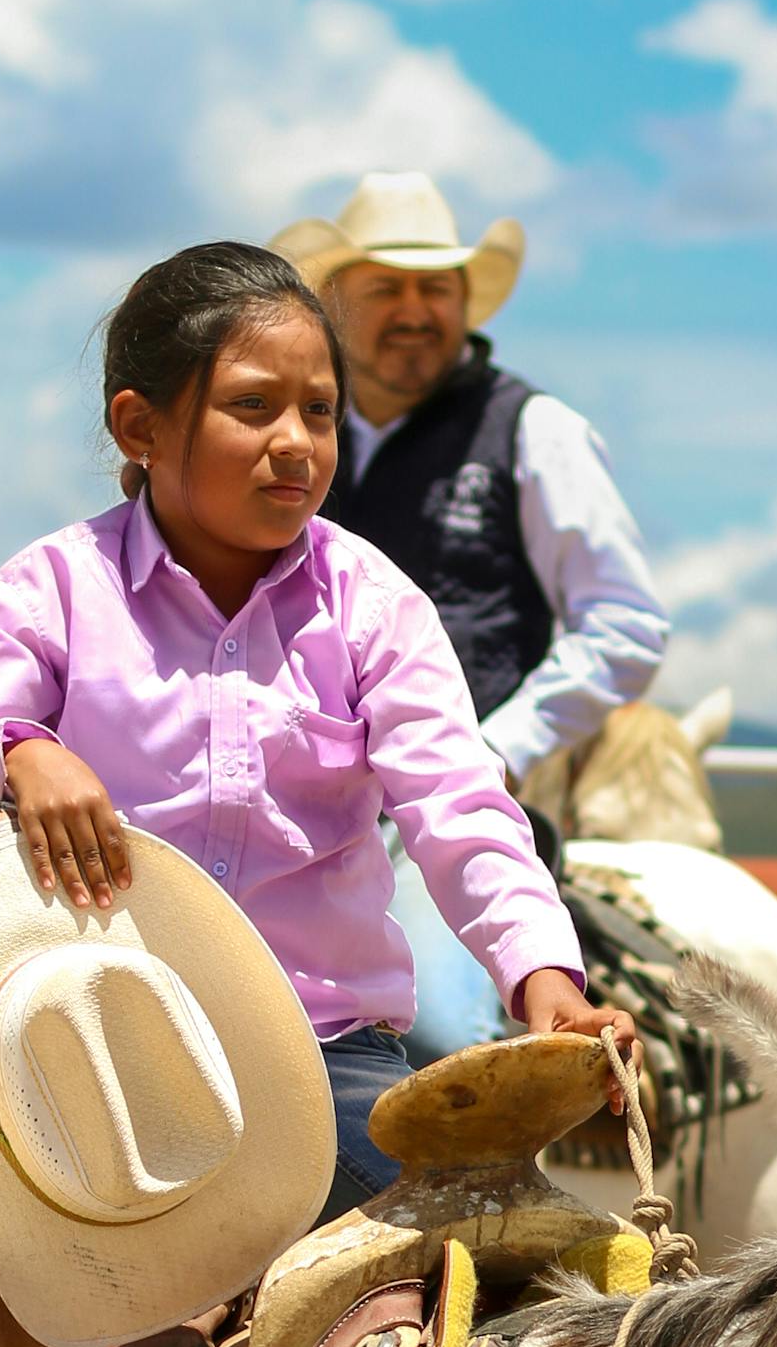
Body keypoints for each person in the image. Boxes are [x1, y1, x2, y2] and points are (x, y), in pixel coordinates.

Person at [0, 241, 631, 1227]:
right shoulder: (53, 590)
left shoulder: (372, 605)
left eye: (318, 410)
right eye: (252, 407)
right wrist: (20, 751)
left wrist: (543, 973)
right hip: (106, 1067)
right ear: (139, 426)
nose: (297, 442)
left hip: (322, 1064)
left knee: (513, 1259)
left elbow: (459, 803)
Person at [272, 170, 669, 1051]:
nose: (416, 310)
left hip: (444, 806)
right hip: (292, 800)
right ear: (333, 303)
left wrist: (497, 748)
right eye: (387, 288)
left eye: (437, 289)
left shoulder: (531, 429)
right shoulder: (294, 434)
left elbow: (627, 624)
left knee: (439, 1040)